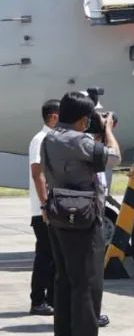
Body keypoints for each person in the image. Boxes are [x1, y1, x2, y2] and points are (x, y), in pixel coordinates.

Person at [41, 92, 120, 336]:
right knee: (87, 282)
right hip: (85, 219)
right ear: (83, 118)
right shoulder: (79, 140)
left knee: (64, 281)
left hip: (58, 215)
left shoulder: (49, 138)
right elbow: (114, 157)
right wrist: (108, 129)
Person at [28, 99, 60, 316]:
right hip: (43, 210)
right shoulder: (40, 140)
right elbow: (37, 173)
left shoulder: (52, 139)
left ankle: (51, 299)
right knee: (45, 257)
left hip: (52, 207)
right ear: (54, 117)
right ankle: (38, 300)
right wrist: (44, 204)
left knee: (54, 257)